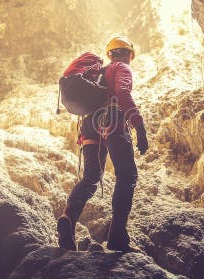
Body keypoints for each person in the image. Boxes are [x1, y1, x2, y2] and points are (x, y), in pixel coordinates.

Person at [57, 36, 149, 252]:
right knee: (127, 176)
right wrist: (139, 127)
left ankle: (68, 220)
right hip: (113, 120)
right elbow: (123, 94)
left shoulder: (97, 74)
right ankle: (118, 237)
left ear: (109, 53)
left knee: (91, 177)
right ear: (128, 54)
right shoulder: (121, 68)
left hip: (90, 125)